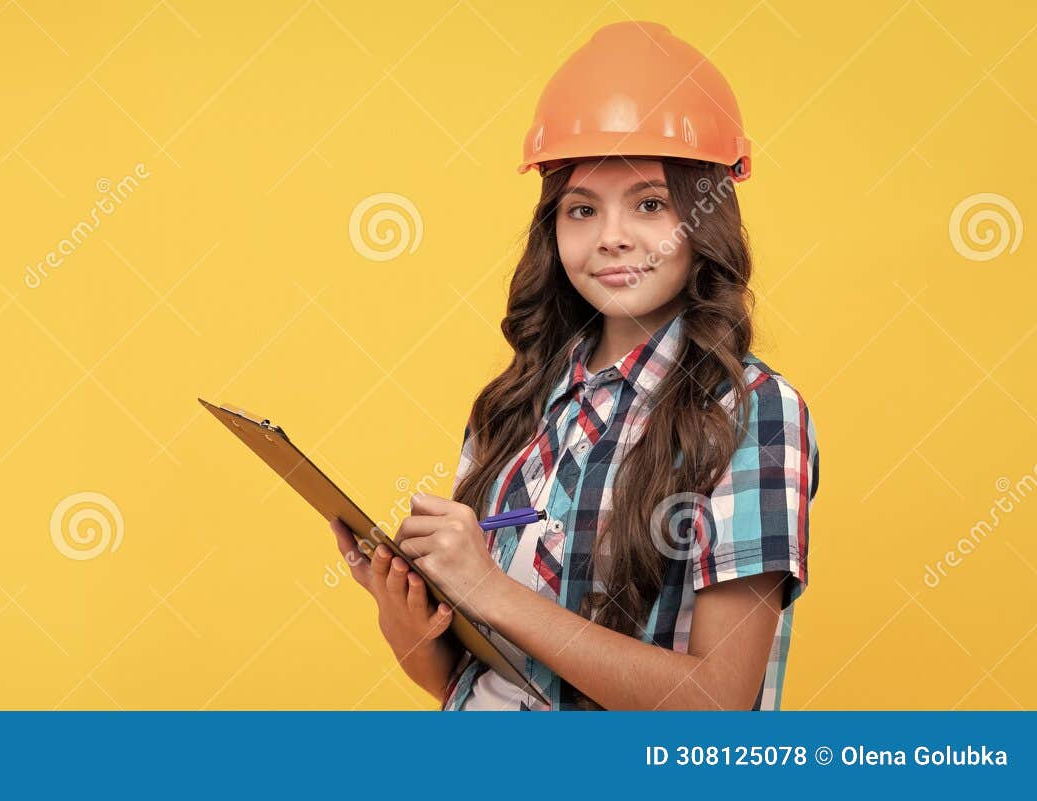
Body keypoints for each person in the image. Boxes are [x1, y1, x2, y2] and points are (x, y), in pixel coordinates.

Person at [329, 20, 817, 710]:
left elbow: (717, 705)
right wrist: (407, 617)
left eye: (650, 204)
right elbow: (476, 682)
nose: (612, 237)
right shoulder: (514, 404)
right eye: (582, 209)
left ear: (705, 218)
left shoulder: (751, 411)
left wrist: (488, 588)